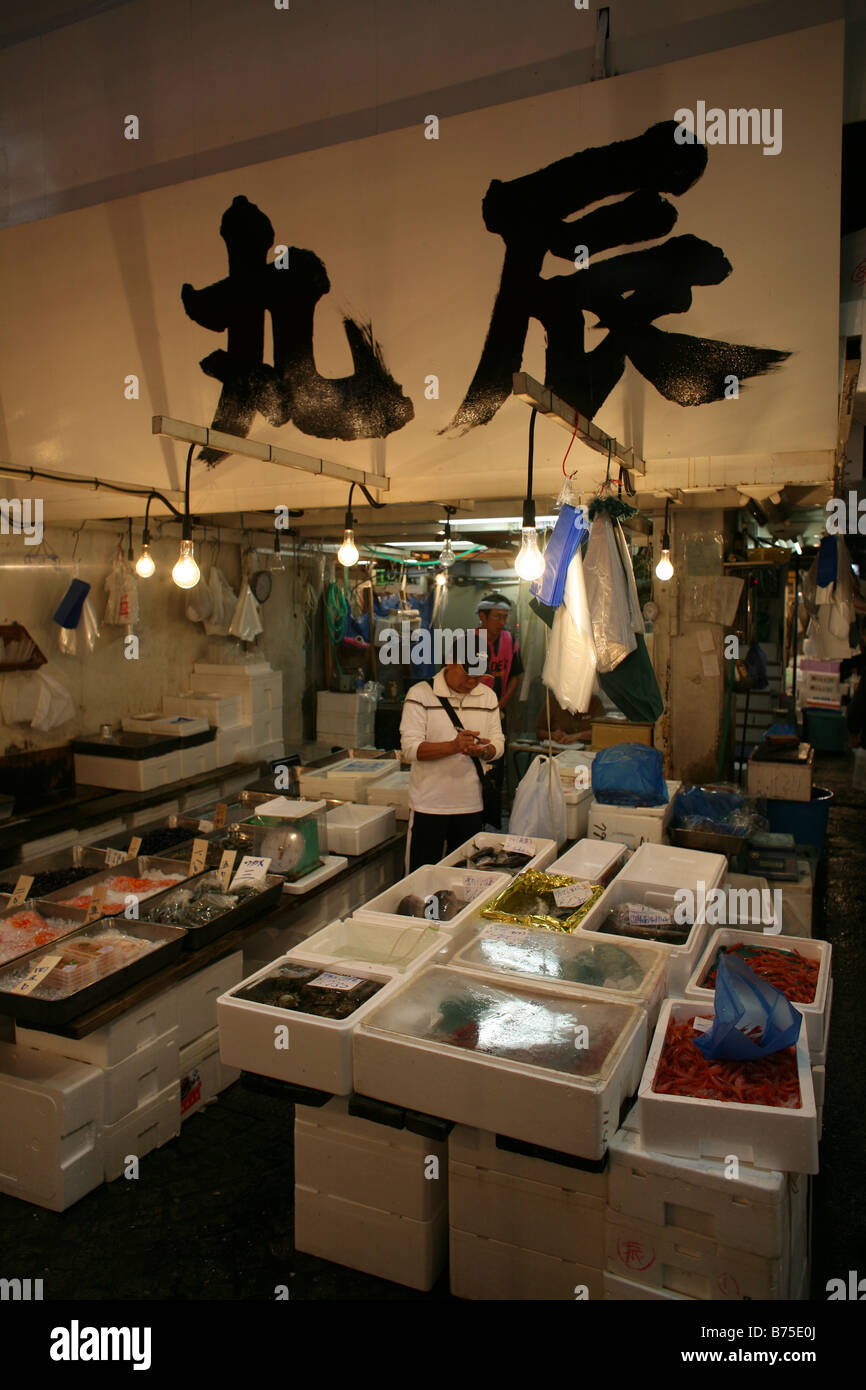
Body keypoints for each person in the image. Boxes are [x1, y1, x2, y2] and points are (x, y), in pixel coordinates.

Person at [400, 658, 504, 870]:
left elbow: (498, 742)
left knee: (464, 876)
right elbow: (410, 748)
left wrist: (486, 751)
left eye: (479, 677)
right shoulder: (419, 694)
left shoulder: (488, 696)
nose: (473, 682)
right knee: (421, 875)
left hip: (471, 804)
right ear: (451, 663)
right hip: (429, 806)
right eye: (468, 675)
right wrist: (453, 746)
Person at [536, 690, 607, 744]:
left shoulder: (594, 701)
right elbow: (539, 731)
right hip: (558, 753)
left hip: (586, 751)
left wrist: (577, 736)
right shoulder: (553, 701)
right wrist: (552, 735)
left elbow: (602, 731)